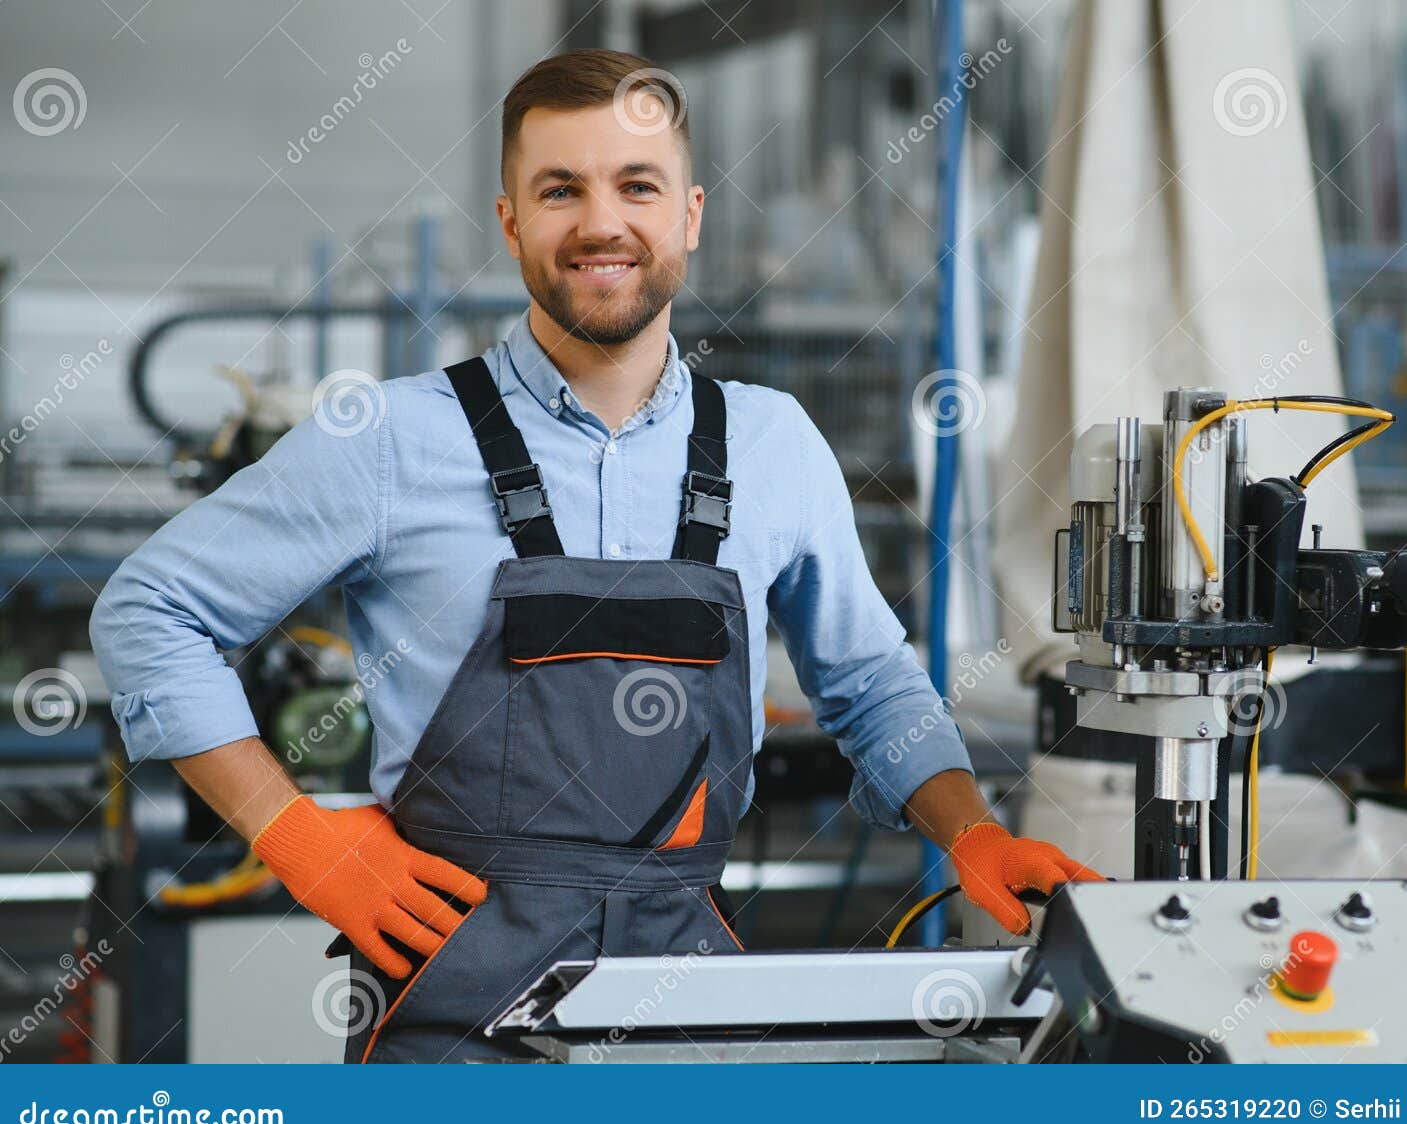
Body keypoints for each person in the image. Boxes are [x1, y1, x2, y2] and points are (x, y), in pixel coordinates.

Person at [89, 48, 1101, 1063]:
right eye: (561, 189)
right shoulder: (389, 439)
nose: (601, 223)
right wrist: (296, 836)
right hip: (451, 1017)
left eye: (637, 186)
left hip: (686, 1006)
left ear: (690, 214)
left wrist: (971, 828)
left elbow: (871, 678)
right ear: (511, 219)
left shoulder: (772, 443)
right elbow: (149, 610)